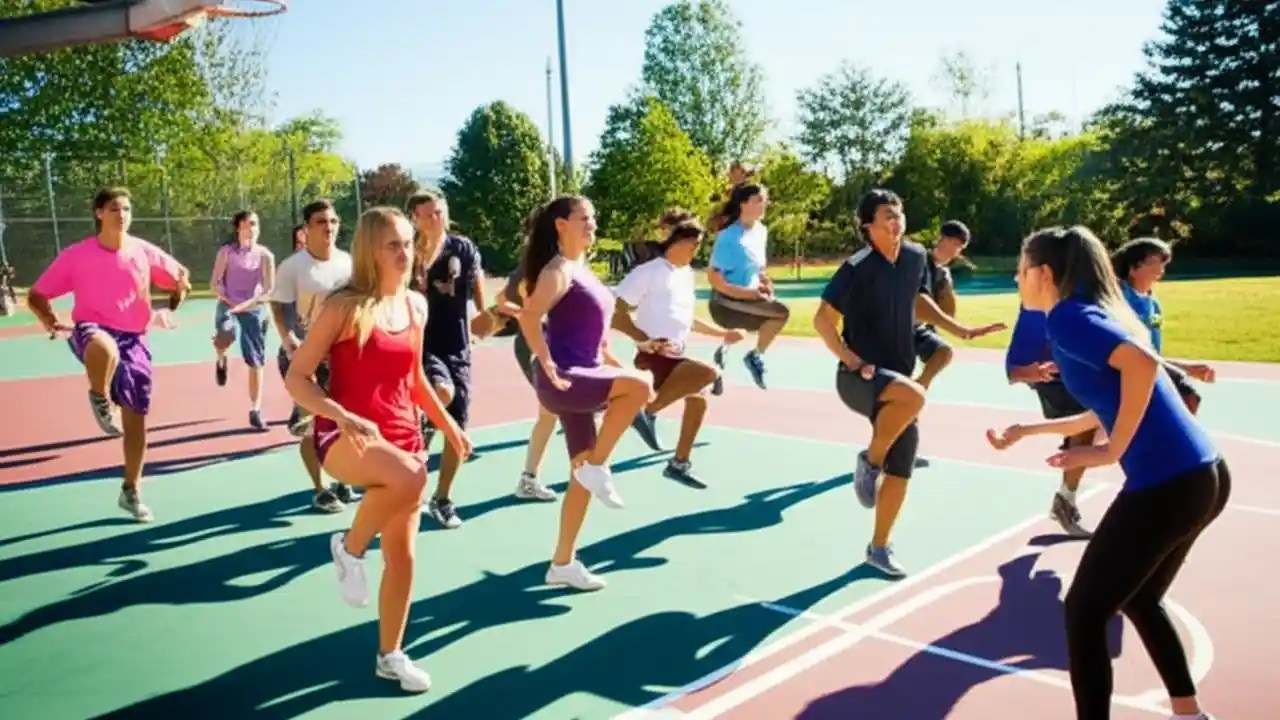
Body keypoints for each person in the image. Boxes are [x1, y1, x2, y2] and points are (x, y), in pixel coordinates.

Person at [986, 225, 1228, 720]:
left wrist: (1110, 451)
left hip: (1170, 483)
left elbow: (1141, 365)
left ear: (1044, 273)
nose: (1015, 278)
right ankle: (1190, 714)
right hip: (1202, 474)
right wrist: (1027, 429)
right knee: (1139, 600)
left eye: (1020, 269)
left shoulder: (1069, 319)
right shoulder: (1087, 315)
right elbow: (1106, 403)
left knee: (1084, 610)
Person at [285, 205, 471, 694]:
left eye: (409, 243)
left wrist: (449, 426)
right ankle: (348, 549)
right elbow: (296, 377)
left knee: (404, 559)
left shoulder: (416, 305)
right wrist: (343, 417)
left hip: (402, 435)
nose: (405, 252)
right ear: (370, 249)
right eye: (394, 244)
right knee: (413, 477)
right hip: (345, 437)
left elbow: (413, 380)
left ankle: (390, 655)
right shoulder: (343, 306)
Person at [812, 189, 1004, 577]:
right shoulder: (857, 266)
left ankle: (879, 547)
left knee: (902, 470)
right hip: (858, 377)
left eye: (899, 212)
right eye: (887, 214)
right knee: (913, 396)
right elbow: (822, 319)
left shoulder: (916, 256)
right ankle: (869, 460)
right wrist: (851, 359)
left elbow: (918, 301)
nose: (896, 218)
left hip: (897, 378)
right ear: (869, 225)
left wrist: (960, 330)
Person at [26, 187, 191, 522]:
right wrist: (49, 319)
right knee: (104, 347)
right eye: (115, 208)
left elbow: (179, 278)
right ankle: (100, 398)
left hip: (136, 339)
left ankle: (131, 489)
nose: (122, 214)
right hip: (92, 330)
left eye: (127, 209)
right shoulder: (77, 254)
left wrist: (176, 297)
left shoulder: (143, 251)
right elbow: (37, 294)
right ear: (99, 213)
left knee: (136, 420)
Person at [517, 195, 652, 591]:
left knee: (580, 477)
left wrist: (620, 361)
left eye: (594, 217)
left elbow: (595, 338)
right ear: (561, 224)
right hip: (564, 379)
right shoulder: (558, 270)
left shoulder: (584, 269)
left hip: (587, 371)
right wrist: (545, 361)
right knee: (641, 385)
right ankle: (598, 466)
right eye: (584, 218)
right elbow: (528, 317)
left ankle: (562, 563)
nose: (592, 224)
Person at [612, 217, 745, 488]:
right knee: (709, 372)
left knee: (699, 399)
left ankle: (679, 464)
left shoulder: (685, 275)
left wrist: (722, 334)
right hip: (654, 356)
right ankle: (647, 411)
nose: (697, 251)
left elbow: (686, 319)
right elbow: (616, 313)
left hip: (675, 354)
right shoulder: (648, 272)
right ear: (678, 242)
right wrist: (643, 339)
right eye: (694, 245)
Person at [405, 191, 486, 530]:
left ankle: (442, 499)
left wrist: (486, 318)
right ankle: (419, 427)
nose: (435, 218)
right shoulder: (407, 252)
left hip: (458, 345)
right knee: (442, 390)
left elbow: (478, 289)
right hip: (420, 342)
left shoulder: (463, 248)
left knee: (457, 428)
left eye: (439, 212)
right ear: (415, 219)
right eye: (427, 214)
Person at [270, 199, 357, 513]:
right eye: (321, 222)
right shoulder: (293, 266)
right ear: (306, 230)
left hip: (341, 358)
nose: (329, 227)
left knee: (343, 418)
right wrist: (289, 339)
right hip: (303, 359)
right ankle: (320, 488)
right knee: (310, 425)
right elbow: (279, 307)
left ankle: (343, 477)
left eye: (333, 221)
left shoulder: (349, 263)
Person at [1004, 305, 1093, 537]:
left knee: (1093, 430)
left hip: (1078, 368)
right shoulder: (1037, 304)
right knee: (1085, 426)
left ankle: (1066, 498)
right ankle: (1066, 500)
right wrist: (1025, 372)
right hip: (1054, 375)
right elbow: (1014, 368)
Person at [1111, 237, 1215, 413]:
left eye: (1162, 262)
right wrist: (1184, 368)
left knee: (1188, 399)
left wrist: (1183, 366)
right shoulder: (1119, 301)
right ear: (1132, 269)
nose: (1160, 268)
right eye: (1152, 262)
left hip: (1151, 369)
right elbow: (1130, 351)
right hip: (1121, 375)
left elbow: (1153, 352)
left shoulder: (1154, 304)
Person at [705, 183, 789, 392]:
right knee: (780, 313)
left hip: (747, 300)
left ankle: (719, 360)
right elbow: (714, 279)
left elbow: (758, 269)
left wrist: (765, 283)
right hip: (724, 302)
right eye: (758, 200)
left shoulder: (761, 231)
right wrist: (747, 294)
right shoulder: (728, 237)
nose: (764, 204)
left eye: (765, 200)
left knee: (743, 332)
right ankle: (754, 356)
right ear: (743, 204)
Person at [210, 210, 275, 430]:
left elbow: (268, 290)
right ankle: (221, 360)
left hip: (254, 310)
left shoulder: (266, 255)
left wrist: (248, 304)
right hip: (227, 305)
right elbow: (215, 283)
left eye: (255, 224)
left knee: (256, 361)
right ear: (238, 228)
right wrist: (227, 299)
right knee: (224, 337)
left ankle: (255, 410)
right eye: (247, 225)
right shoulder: (226, 253)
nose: (251, 228)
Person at [913, 220, 970, 389]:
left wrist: (947, 289)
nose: (956, 251)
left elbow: (947, 315)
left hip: (917, 330)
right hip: (896, 325)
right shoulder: (917, 260)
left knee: (943, 352)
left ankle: (918, 389)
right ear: (941, 239)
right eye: (954, 244)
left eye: (960, 247)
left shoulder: (942, 274)